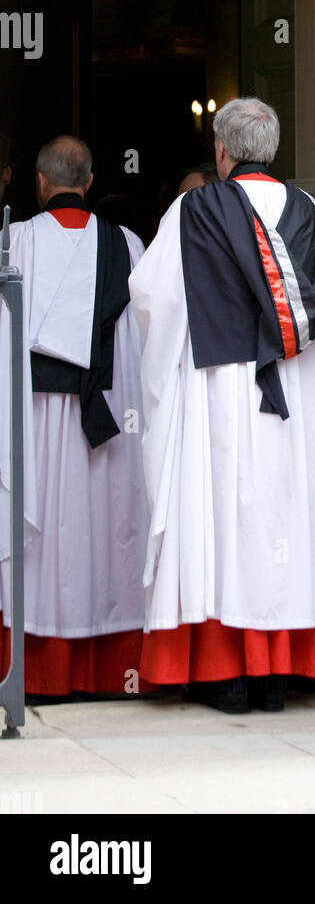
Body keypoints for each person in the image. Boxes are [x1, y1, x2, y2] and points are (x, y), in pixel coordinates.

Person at [128, 97, 315, 714]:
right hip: (294, 394)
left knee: (223, 520)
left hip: (219, 390)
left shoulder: (194, 210)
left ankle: (226, 677)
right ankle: (279, 673)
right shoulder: (313, 213)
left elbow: (151, 297)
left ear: (222, 152)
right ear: (272, 149)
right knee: (283, 519)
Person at [0, 136, 149, 697]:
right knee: (105, 534)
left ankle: (34, 672)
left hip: (32, 425)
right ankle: (112, 673)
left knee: (39, 537)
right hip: (107, 420)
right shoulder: (127, 246)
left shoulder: (14, 242)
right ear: (88, 182)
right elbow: (144, 345)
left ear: (39, 183)